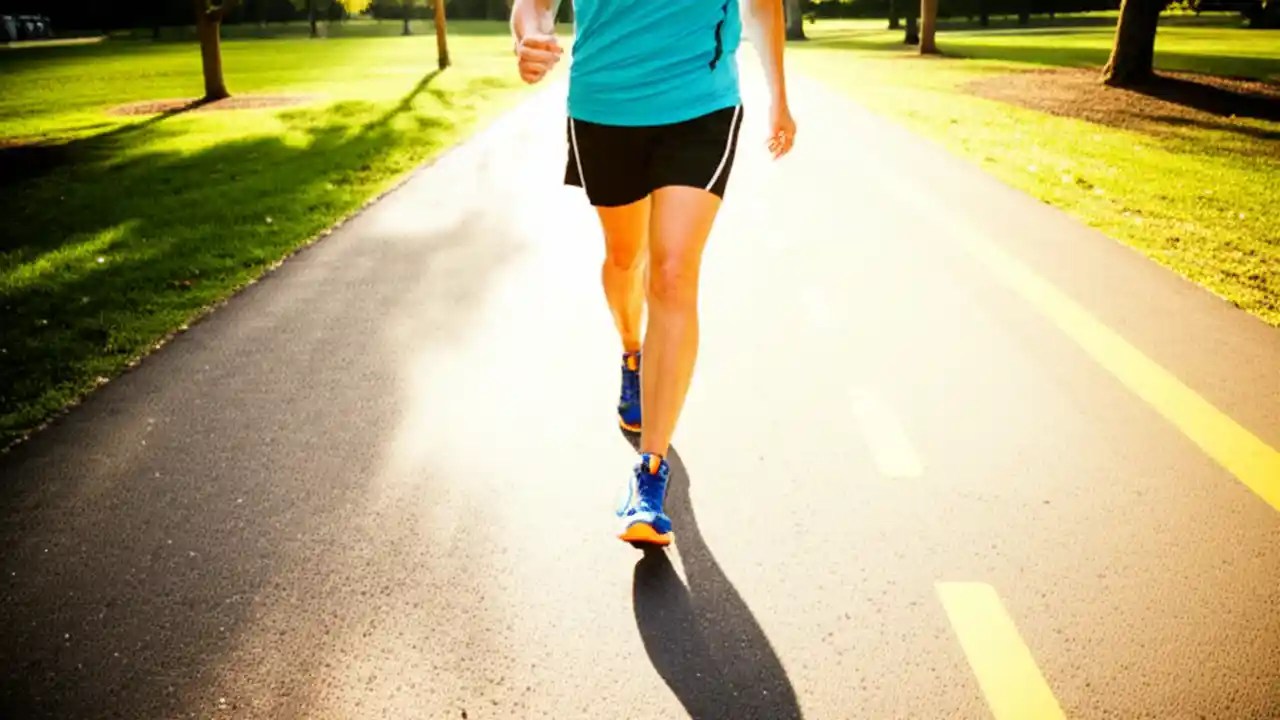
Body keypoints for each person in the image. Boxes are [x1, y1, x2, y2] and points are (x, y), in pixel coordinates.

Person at [510, 0, 795, 547]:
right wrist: (530, 38)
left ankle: (649, 473)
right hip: (604, 105)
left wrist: (779, 98)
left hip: (701, 104)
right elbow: (536, 5)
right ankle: (631, 349)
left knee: (671, 273)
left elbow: (762, 6)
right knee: (625, 259)